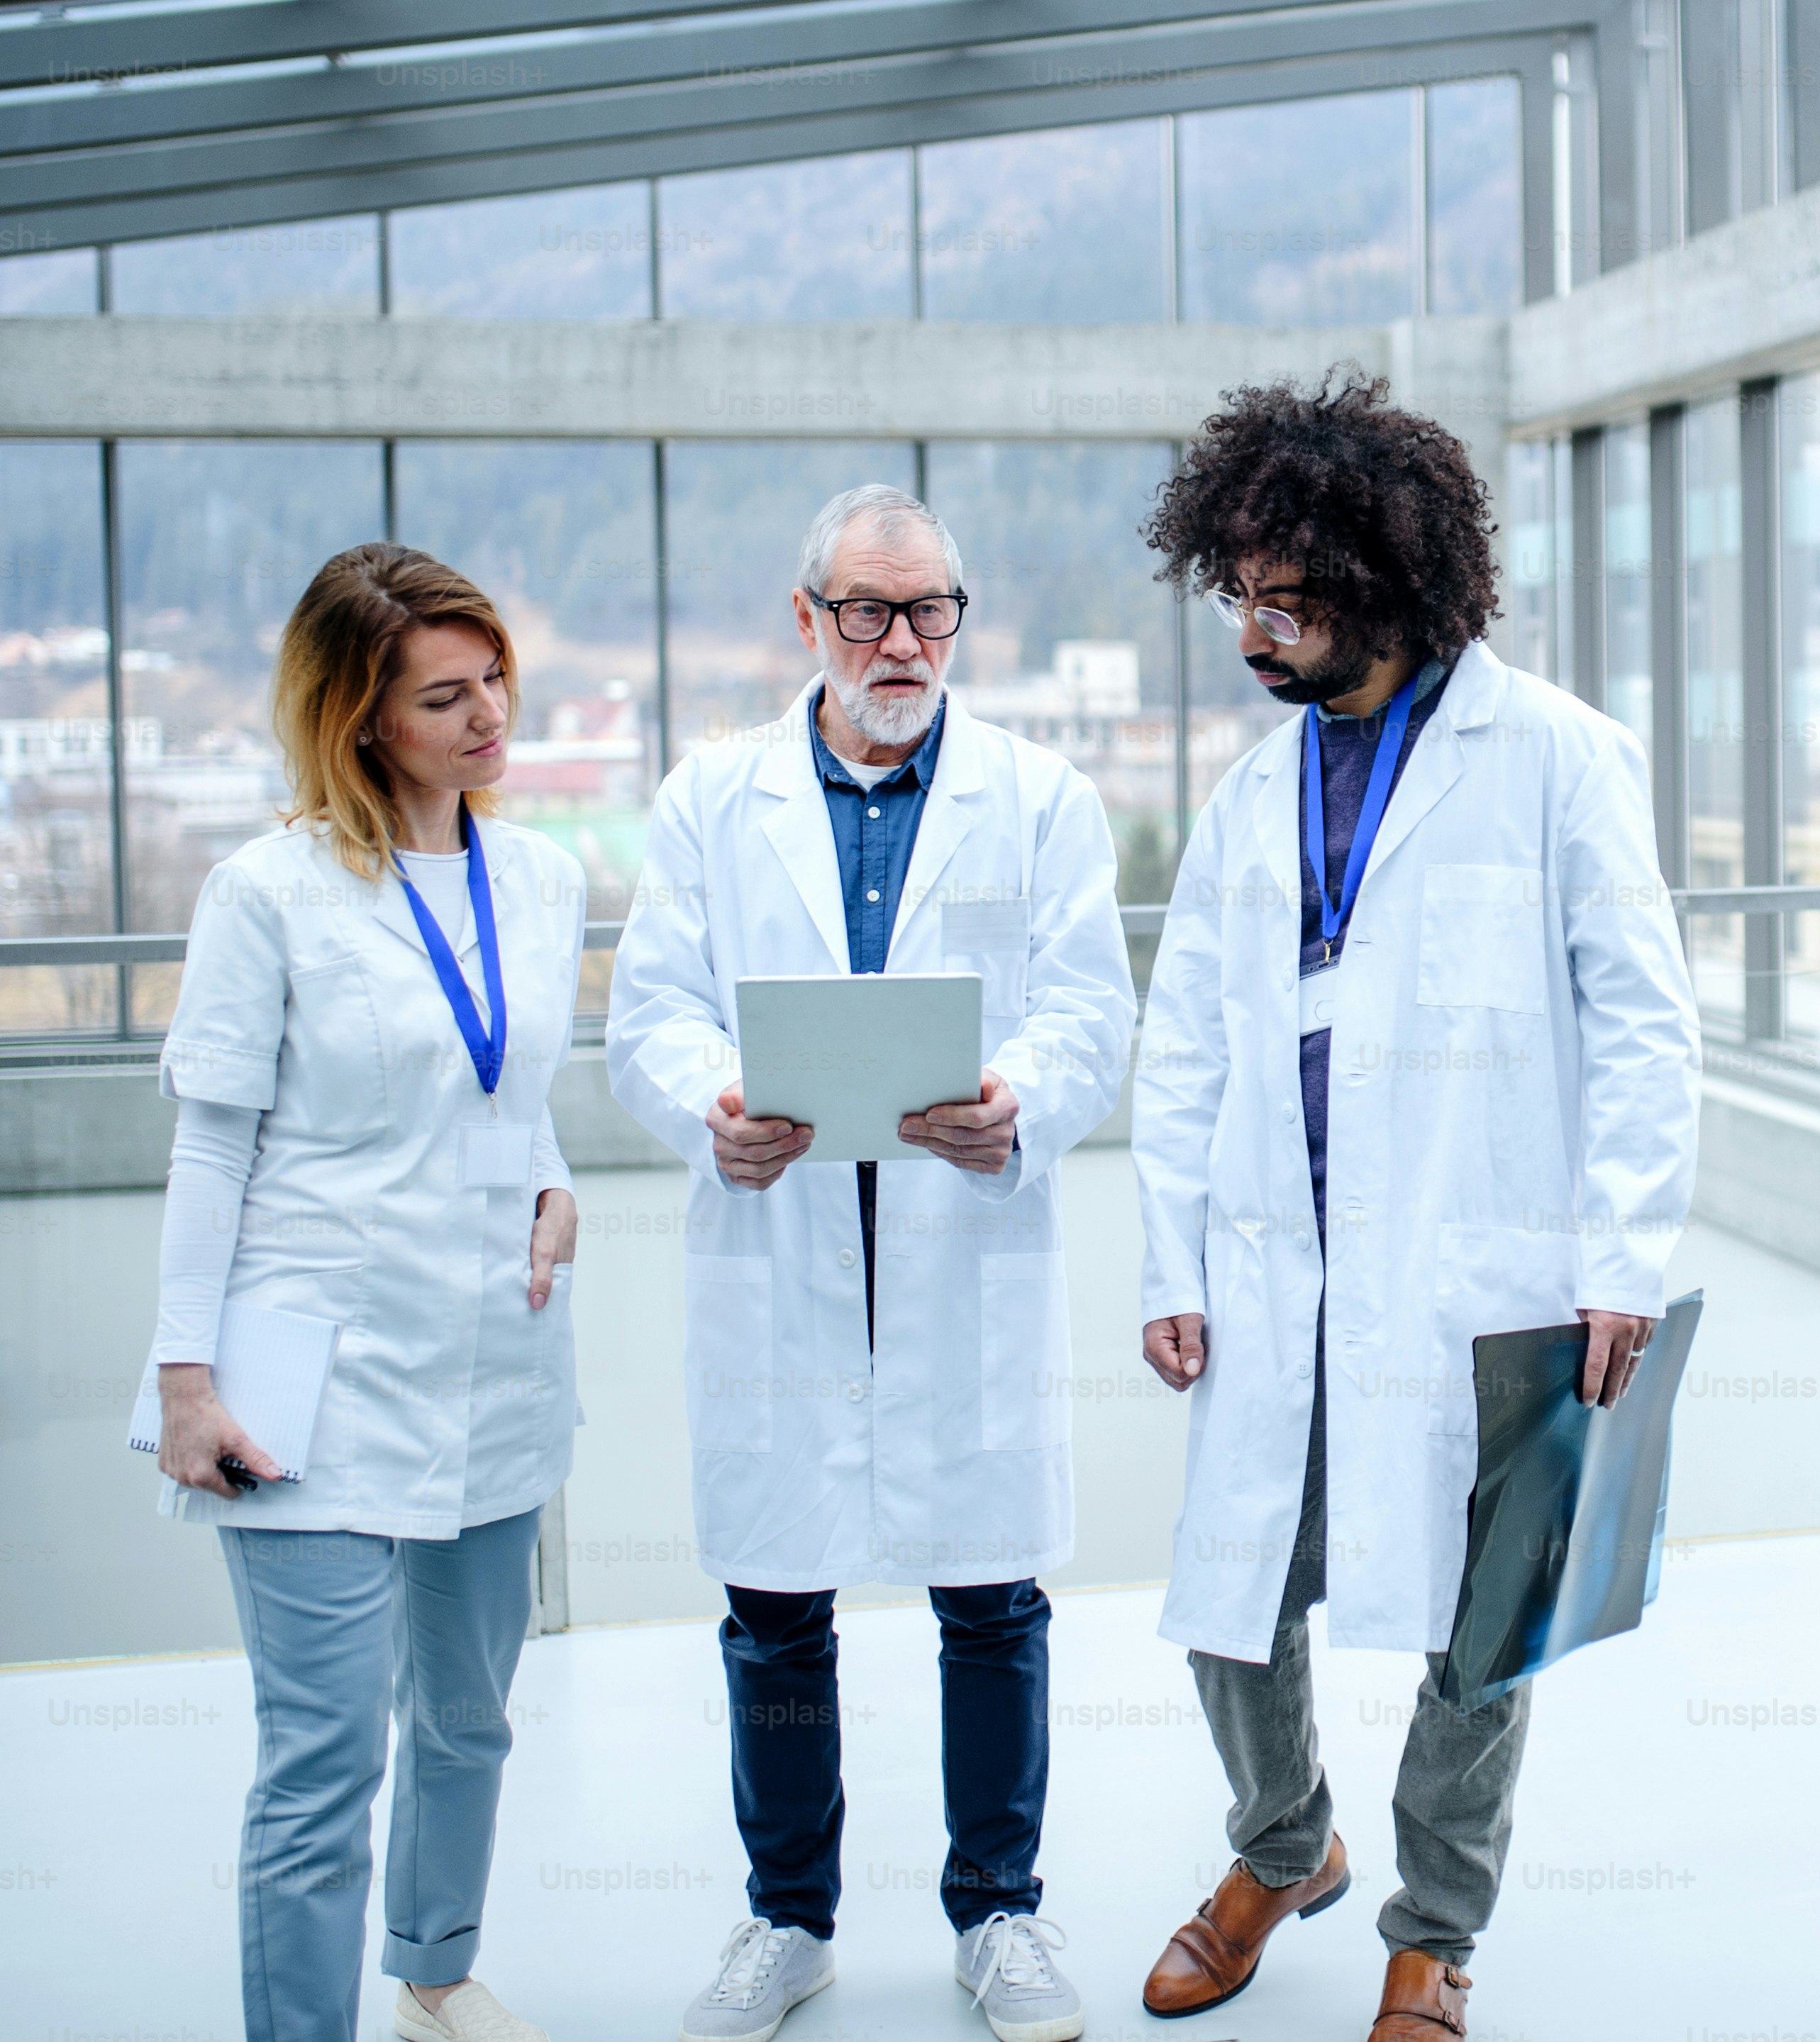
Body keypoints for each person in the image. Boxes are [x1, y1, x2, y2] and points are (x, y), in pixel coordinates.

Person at [1128, 372, 1700, 2042]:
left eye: (1286, 599)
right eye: (1239, 594)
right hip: (1279, 1275)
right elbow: (1184, 1053)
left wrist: (1620, 1260)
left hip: (1482, 1270)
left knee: (1483, 1621)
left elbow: (1646, 1026)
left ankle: (1433, 1925)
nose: (1255, 629)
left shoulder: (1560, 761)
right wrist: (1173, 1257)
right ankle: (1280, 1843)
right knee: (1234, 1598)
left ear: (1386, 580)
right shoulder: (1253, 798)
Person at [606, 485, 1133, 2042]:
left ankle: (1002, 1914)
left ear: (962, 618)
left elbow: (1091, 1014)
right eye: (867, 611)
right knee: (775, 1605)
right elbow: (650, 1016)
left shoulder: (1043, 800)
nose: (901, 642)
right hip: (781, 1254)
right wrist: (709, 1105)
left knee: (992, 1602)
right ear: (807, 620)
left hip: (961, 1249)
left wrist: (1018, 1104)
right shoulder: (712, 800)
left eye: (930, 612)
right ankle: (786, 1920)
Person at [143, 545, 586, 2042]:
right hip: (304, 1372)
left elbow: (513, 1095)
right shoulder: (265, 893)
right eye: (445, 698)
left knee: (466, 1723)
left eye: (496, 683)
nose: (489, 721)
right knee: (322, 1761)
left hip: (493, 1353)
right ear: (360, 722)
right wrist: (182, 1381)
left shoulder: (542, 877)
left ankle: (436, 1972)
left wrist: (554, 1182)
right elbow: (213, 1144)